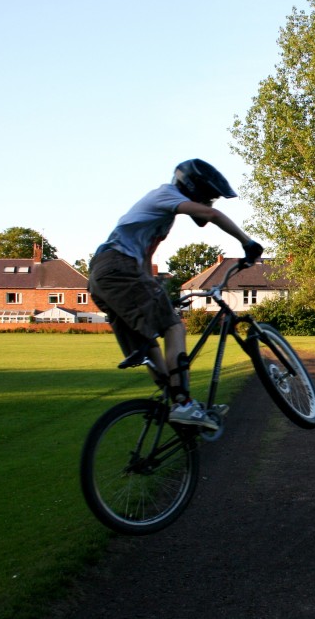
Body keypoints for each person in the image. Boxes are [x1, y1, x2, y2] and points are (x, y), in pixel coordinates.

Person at [89, 158, 263, 430]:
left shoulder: (161, 217)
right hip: (118, 267)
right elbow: (212, 216)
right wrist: (247, 242)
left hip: (103, 277)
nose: (209, 204)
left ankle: (179, 404)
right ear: (194, 189)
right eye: (208, 197)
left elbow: (145, 260)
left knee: (148, 346)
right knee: (174, 327)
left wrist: (155, 290)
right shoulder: (165, 195)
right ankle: (183, 404)